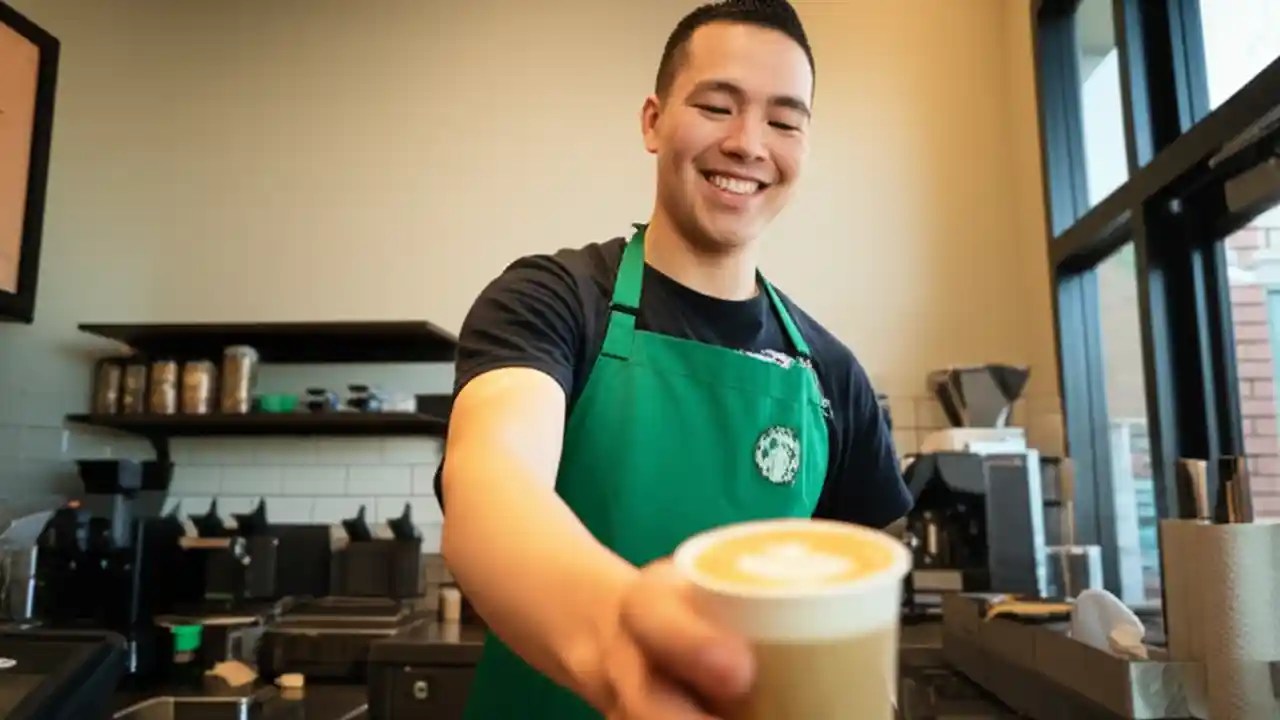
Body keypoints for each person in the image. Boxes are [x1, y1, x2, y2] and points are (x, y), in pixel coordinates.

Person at [436, 1, 912, 717]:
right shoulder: (552, 300)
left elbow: (863, 601)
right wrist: (620, 647)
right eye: (718, 106)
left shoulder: (830, 374)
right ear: (653, 121)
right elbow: (492, 488)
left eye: (784, 122)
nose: (750, 144)